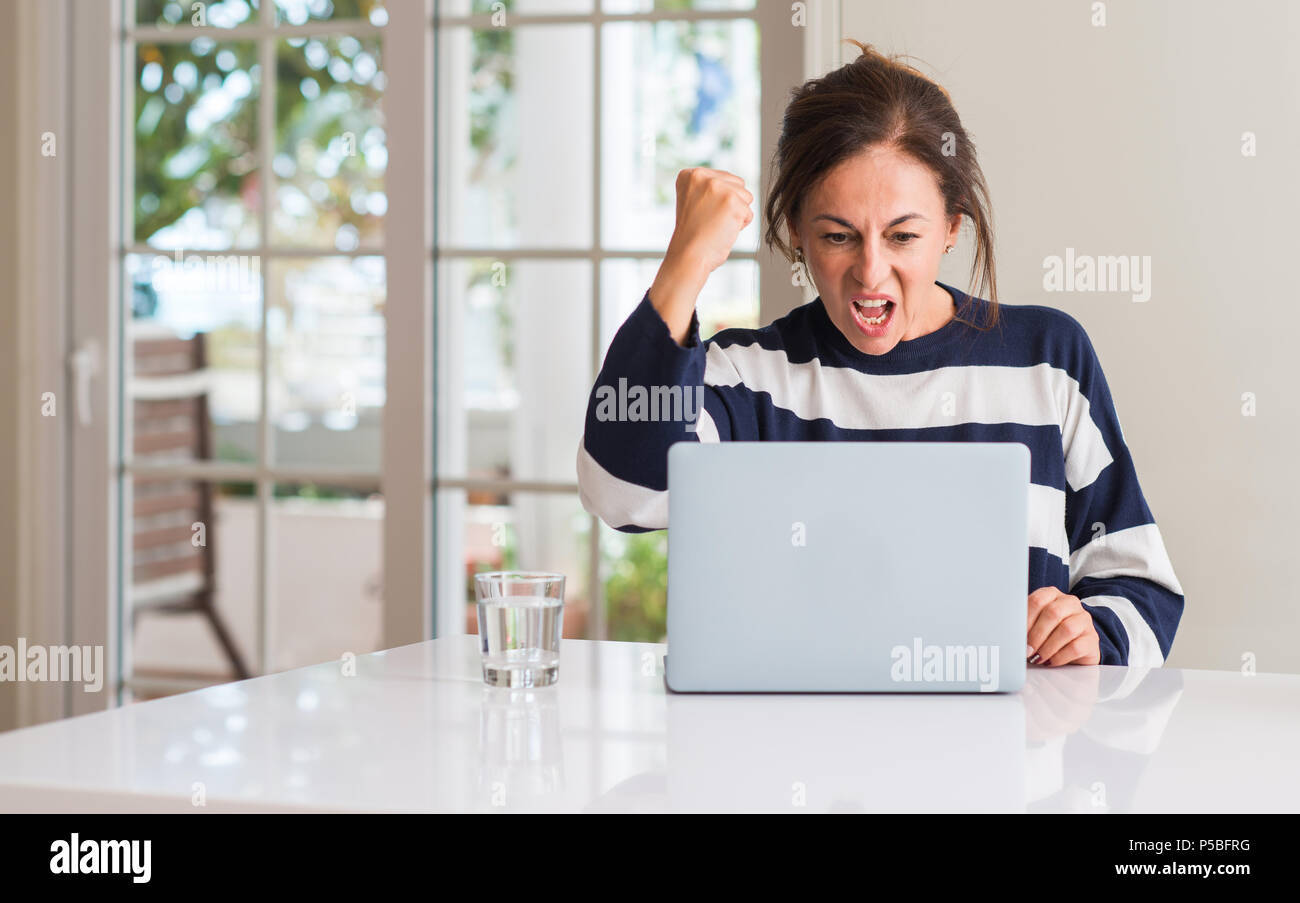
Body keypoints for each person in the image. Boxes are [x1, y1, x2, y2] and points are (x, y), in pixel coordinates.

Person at [576, 39, 1183, 668]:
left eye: (903, 236)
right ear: (795, 232)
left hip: (1010, 754)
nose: (871, 273)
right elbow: (622, 491)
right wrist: (686, 263)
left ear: (951, 227)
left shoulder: (1049, 360)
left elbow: (1143, 592)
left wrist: (1090, 635)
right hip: (800, 754)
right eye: (837, 236)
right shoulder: (748, 377)